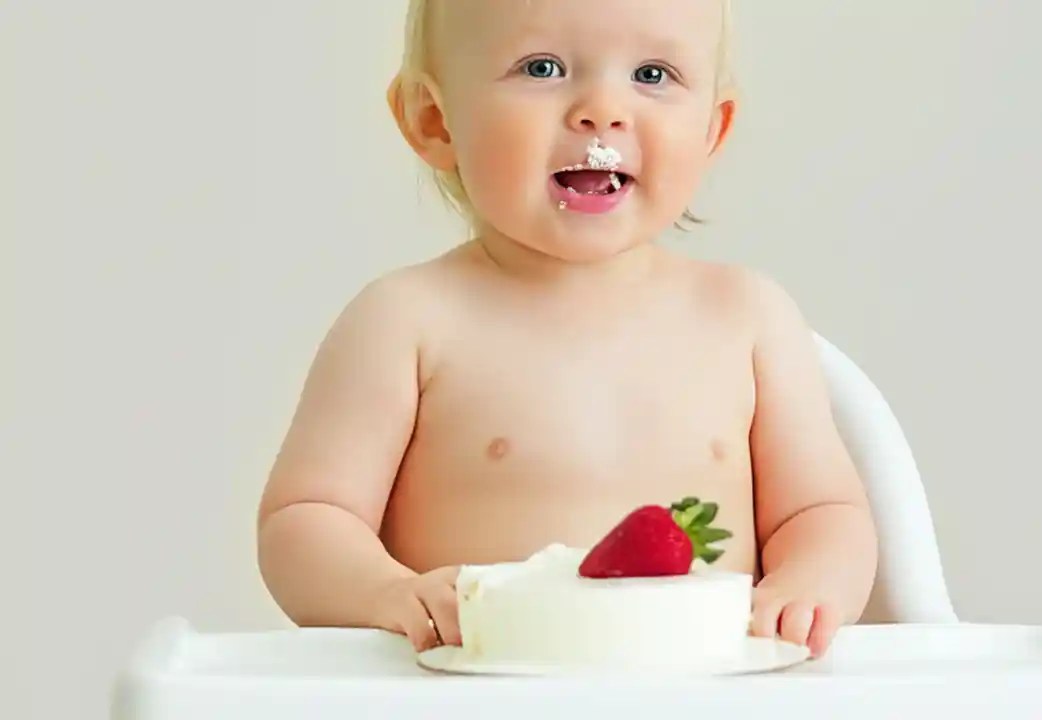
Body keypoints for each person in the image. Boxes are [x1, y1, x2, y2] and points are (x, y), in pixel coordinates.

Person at [256, 0, 877, 660]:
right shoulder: (406, 320)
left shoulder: (748, 317)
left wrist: (808, 585)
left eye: (653, 74)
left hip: (698, 689)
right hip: (478, 697)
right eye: (543, 67)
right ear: (435, 120)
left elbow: (821, 513)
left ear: (712, 131)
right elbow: (305, 520)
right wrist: (383, 591)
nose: (602, 109)